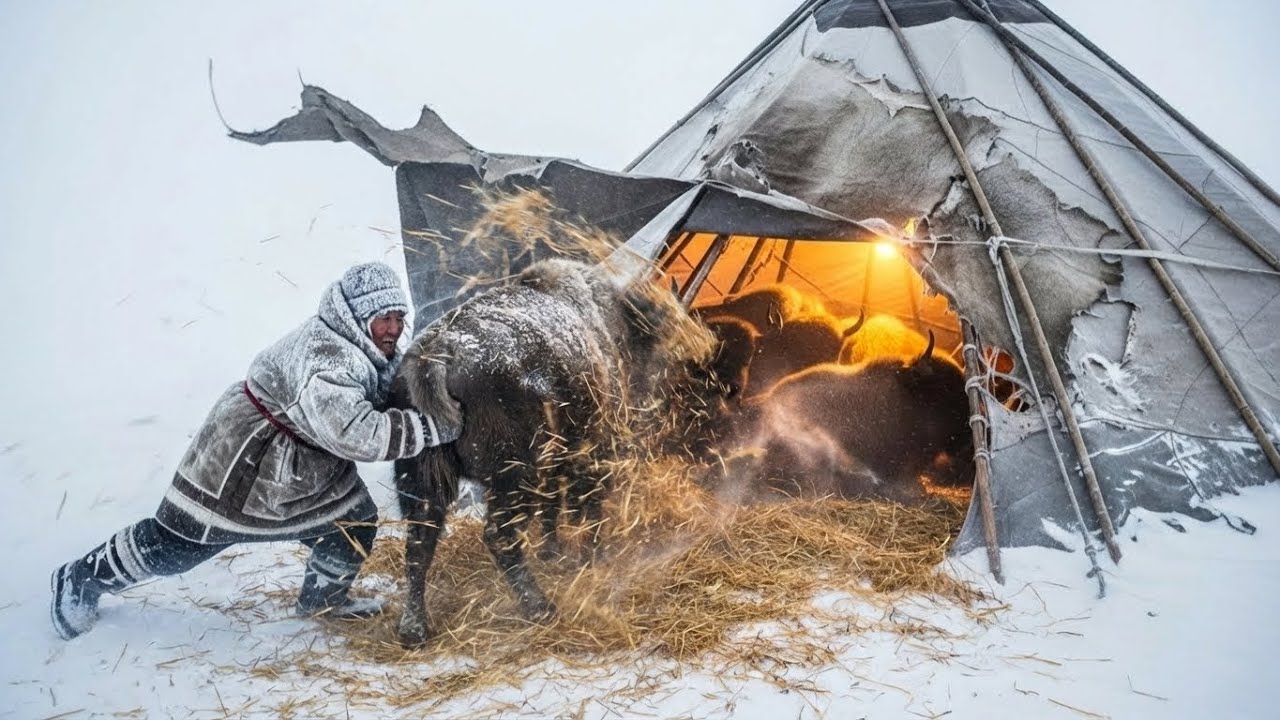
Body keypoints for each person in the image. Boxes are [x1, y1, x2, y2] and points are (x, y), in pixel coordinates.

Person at [50, 261, 461, 640]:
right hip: (246, 460)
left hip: (301, 458)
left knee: (352, 522)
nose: (392, 328)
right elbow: (357, 433)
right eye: (383, 319)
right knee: (180, 542)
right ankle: (82, 578)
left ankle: (322, 601)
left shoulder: (355, 345)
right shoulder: (329, 362)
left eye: (398, 318)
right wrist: (432, 427)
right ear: (358, 317)